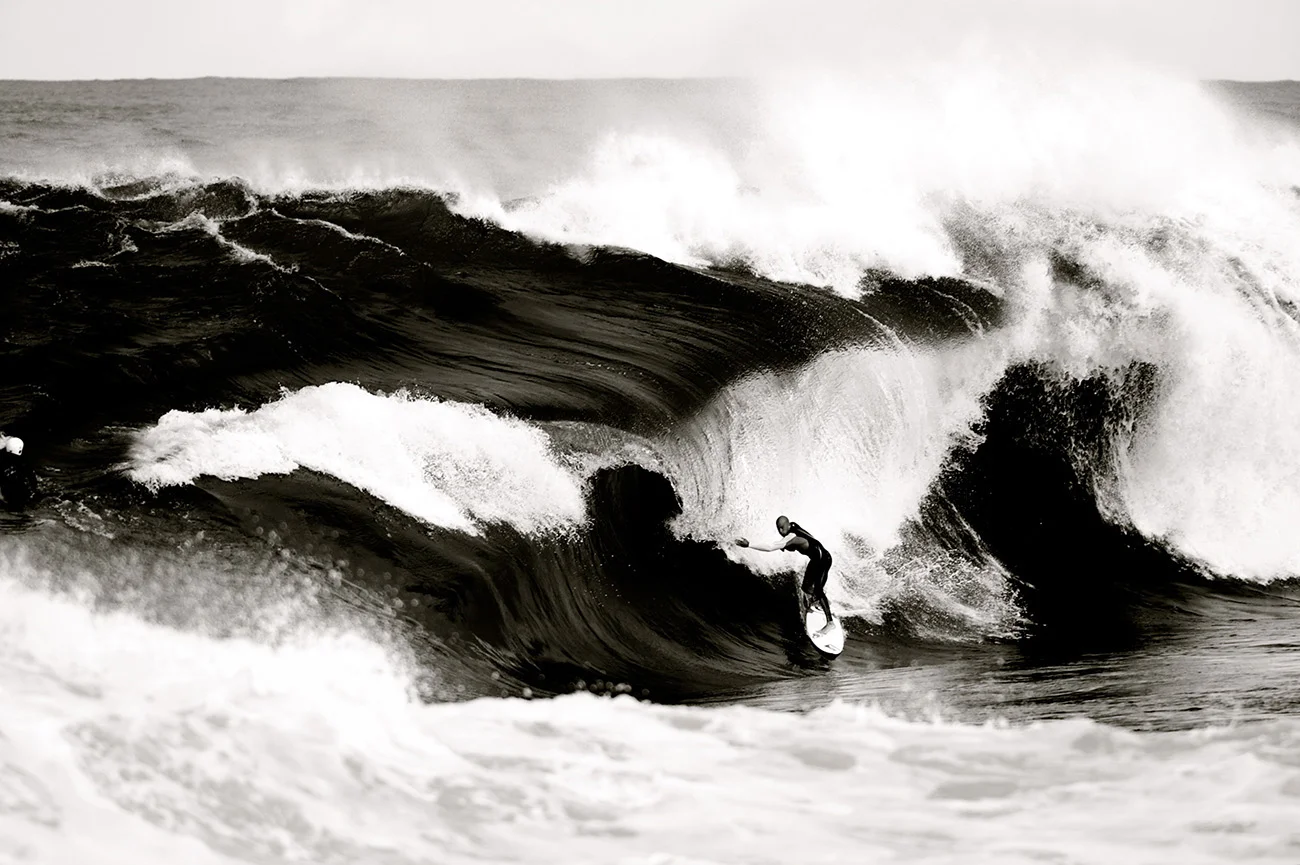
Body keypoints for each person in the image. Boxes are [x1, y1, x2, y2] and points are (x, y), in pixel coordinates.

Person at [736, 515, 834, 623]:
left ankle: (830, 622)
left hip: (822, 560)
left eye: (782, 527)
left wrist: (749, 544)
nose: (781, 531)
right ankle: (819, 602)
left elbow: (770, 547)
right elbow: (801, 541)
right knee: (806, 588)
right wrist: (787, 546)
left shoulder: (791, 536)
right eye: (779, 528)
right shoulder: (793, 525)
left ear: (787, 524)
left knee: (818, 589)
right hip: (819, 558)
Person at [0, 435, 34, 509]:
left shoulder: (3, 463)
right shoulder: (26, 464)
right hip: (27, 497)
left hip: (10, 499)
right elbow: (33, 482)